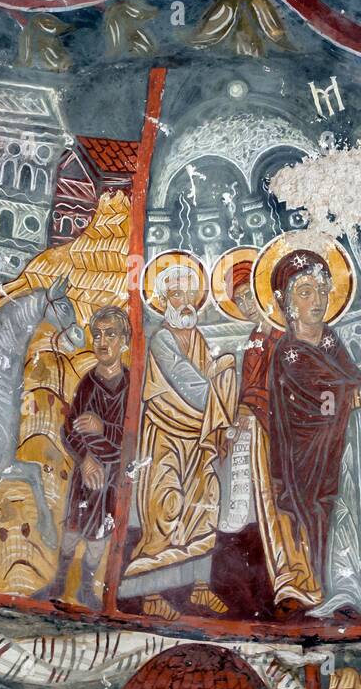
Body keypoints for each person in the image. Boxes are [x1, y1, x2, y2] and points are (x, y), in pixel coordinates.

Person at [267, 249, 361, 619]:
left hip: (354, 445)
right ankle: (343, 588)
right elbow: (320, 405)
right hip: (318, 457)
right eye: (305, 292)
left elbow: (343, 385)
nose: (316, 300)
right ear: (286, 302)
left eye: (321, 289)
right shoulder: (289, 353)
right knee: (343, 515)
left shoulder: (330, 340)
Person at [119, 263, 238, 621]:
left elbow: (207, 382)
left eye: (189, 294)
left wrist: (224, 380)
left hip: (197, 438)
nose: (184, 300)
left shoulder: (199, 338)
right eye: (175, 293)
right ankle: (150, 591)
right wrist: (222, 386)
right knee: (165, 507)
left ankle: (200, 588)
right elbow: (189, 384)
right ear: (163, 299)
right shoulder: (162, 339)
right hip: (167, 437)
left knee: (204, 507)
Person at [228, 260, 319, 615]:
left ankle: (311, 578)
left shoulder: (286, 336)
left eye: (250, 294)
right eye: (240, 300)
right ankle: (288, 579)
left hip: (288, 433)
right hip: (259, 432)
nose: (247, 304)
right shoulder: (253, 340)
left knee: (296, 504)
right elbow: (249, 387)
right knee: (272, 507)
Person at [35, 305, 130, 607]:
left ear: (124, 341)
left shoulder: (132, 385)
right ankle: (59, 582)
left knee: (99, 533)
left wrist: (104, 428)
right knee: (72, 529)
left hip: (113, 473)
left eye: (111, 335)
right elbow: (69, 430)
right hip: (86, 470)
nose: (102, 341)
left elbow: (133, 438)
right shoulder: (89, 382)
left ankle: (86, 588)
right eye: (97, 335)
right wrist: (85, 459)